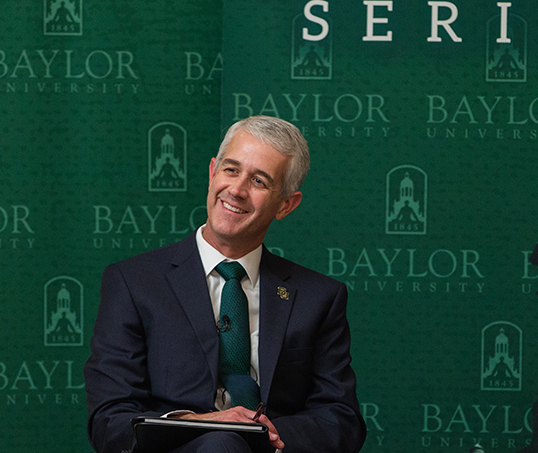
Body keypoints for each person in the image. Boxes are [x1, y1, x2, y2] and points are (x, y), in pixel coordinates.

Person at [85, 116, 366, 453]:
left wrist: (263, 433)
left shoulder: (319, 297)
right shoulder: (133, 283)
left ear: (286, 204)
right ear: (212, 173)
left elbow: (341, 419)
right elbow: (110, 421)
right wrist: (205, 423)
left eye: (259, 181)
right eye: (231, 170)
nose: (237, 190)